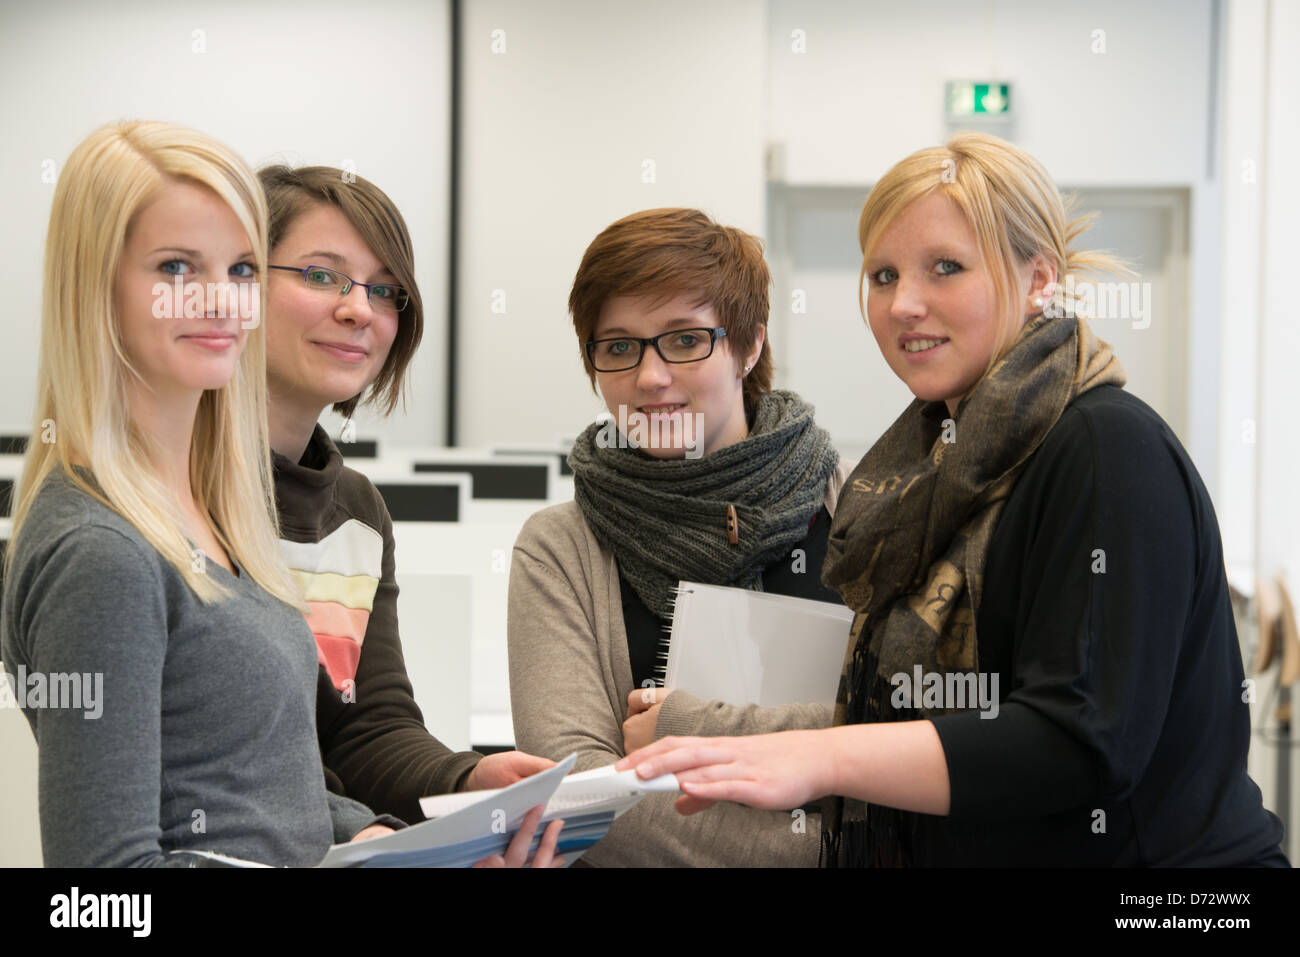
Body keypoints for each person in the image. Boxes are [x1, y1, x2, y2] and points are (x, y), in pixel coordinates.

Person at [618, 132, 1289, 867]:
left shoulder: (1102, 448)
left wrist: (822, 756)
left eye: (946, 268)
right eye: (882, 275)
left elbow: (1082, 738)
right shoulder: (932, 464)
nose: (905, 303)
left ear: (1039, 279)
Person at [0, 121, 406, 867]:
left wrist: (364, 833)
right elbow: (100, 896)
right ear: (96, 284)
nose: (222, 301)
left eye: (243, 269)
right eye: (177, 267)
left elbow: (250, 784)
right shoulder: (103, 552)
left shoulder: (219, 511)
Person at [508, 207, 847, 866]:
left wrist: (686, 725)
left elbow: (913, 733)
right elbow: (583, 803)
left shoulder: (862, 509)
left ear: (749, 345)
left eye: (685, 339)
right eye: (618, 346)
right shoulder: (559, 547)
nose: (650, 378)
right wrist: (842, 845)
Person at [259, 164, 563, 866]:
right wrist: (354, 832)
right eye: (321, 274)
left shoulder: (355, 511)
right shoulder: (168, 496)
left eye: (384, 289)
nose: (359, 309)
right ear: (238, 281)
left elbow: (365, 729)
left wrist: (468, 778)